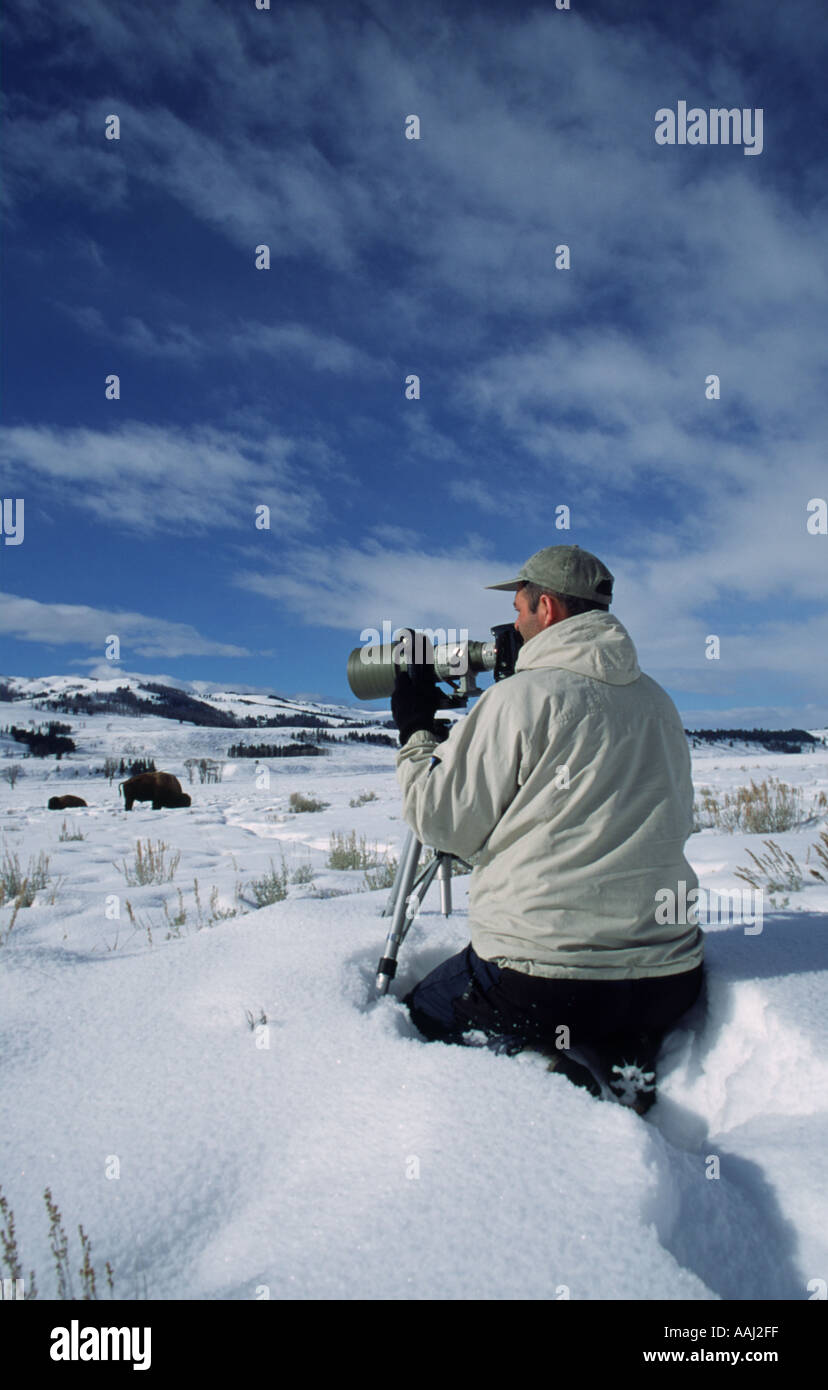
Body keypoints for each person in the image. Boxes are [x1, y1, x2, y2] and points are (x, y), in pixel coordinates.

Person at [390, 544, 704, 1113]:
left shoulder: (517, 700)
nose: (512, 625)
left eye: (518, 610)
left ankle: (539, 1065)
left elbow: (441, 821)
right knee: (608, 1000)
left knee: (425, 1010)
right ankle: (625, 1045)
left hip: (544, 981)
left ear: (549, 610)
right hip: (668, 976)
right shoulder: (660, 703)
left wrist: (415, 727)